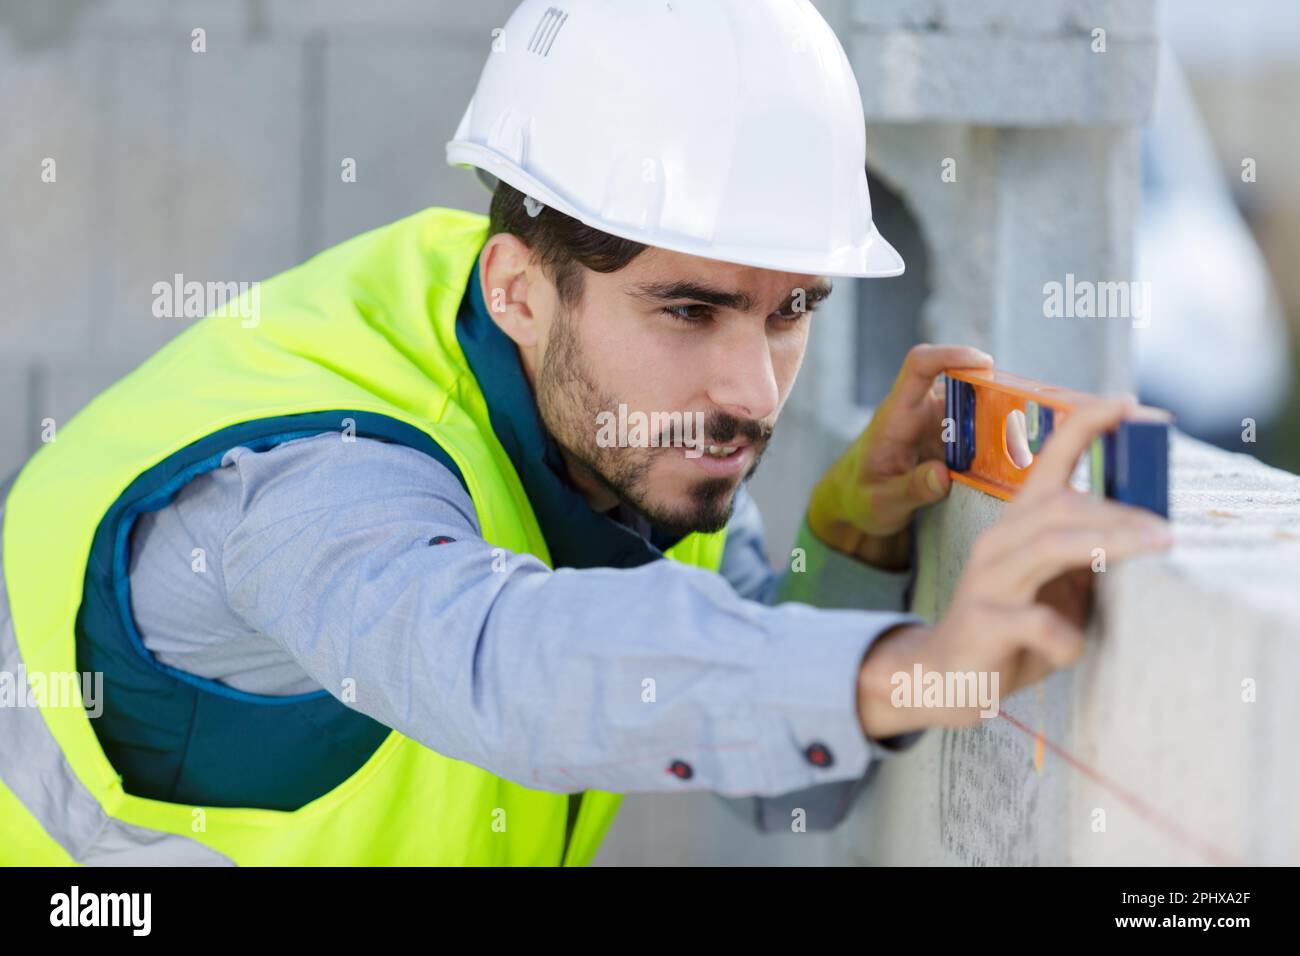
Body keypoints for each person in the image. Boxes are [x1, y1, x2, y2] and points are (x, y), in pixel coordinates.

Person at [0, 0, 1171, 866]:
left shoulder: (633, 432)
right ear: (518, 286)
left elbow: (784, 784)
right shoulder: (306, 481)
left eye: (791, 310)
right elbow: (504, 658)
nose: (753, 389)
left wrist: (852, 542)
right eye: (688, 307)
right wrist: (920, 663)